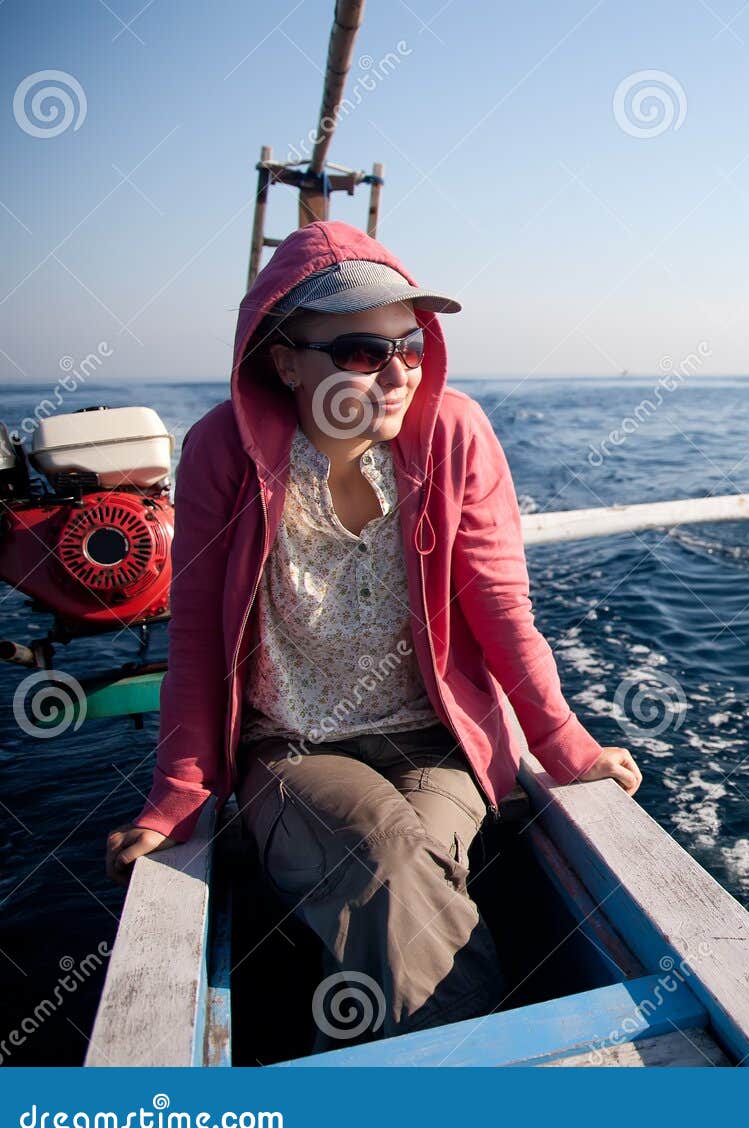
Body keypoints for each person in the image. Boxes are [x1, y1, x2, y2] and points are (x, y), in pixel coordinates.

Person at [104, 219, 640, 1046]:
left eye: (411, 345)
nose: (396, 372)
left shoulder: (454, 433)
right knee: (387, 855)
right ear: (284, 360)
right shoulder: (220, 451)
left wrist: (565, 744)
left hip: (436, 743)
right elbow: (199, 642)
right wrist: (179, 794)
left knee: (405, 868)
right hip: (295, 747)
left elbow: (502, 607)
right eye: (361, 349)